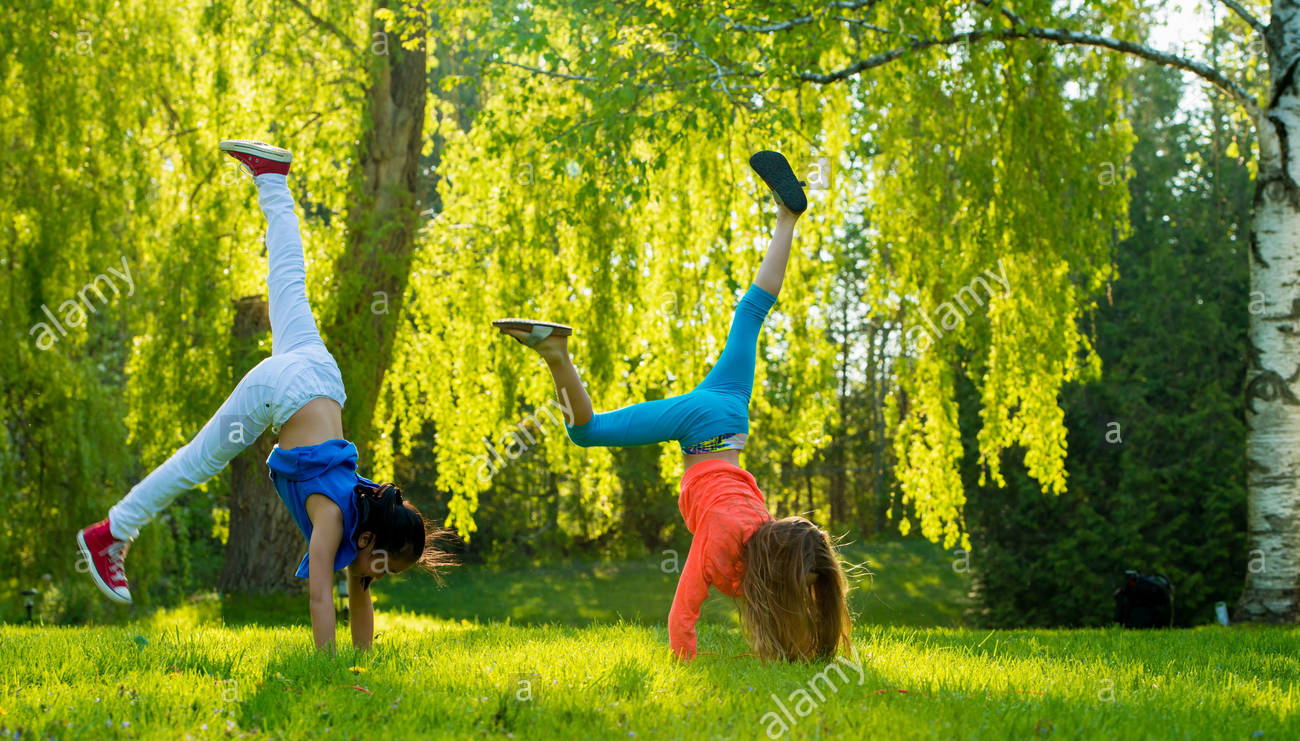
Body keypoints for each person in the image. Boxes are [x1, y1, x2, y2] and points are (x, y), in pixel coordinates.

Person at [76, 140, 450, 651]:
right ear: (368, 544)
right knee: (197, 461)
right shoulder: (335, 519)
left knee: (288, 280)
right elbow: (322, 598)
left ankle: (272, 179)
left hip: (321, 374)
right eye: (383, 567)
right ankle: (110, 533)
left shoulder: (366, 522)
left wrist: (364, 664)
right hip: (286, 391)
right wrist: (328, 668)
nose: (377, 578)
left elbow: (359, 602)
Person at [494, 151, 851, 661]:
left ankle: (786, 216)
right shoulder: (726, 541)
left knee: (752, 312)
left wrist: (798, 649)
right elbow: (682, 611)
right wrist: (684, 662)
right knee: (586, 432)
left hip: (729, 418)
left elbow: (787, 580)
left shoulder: (766, 537)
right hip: (702, 428)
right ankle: (556, 353)